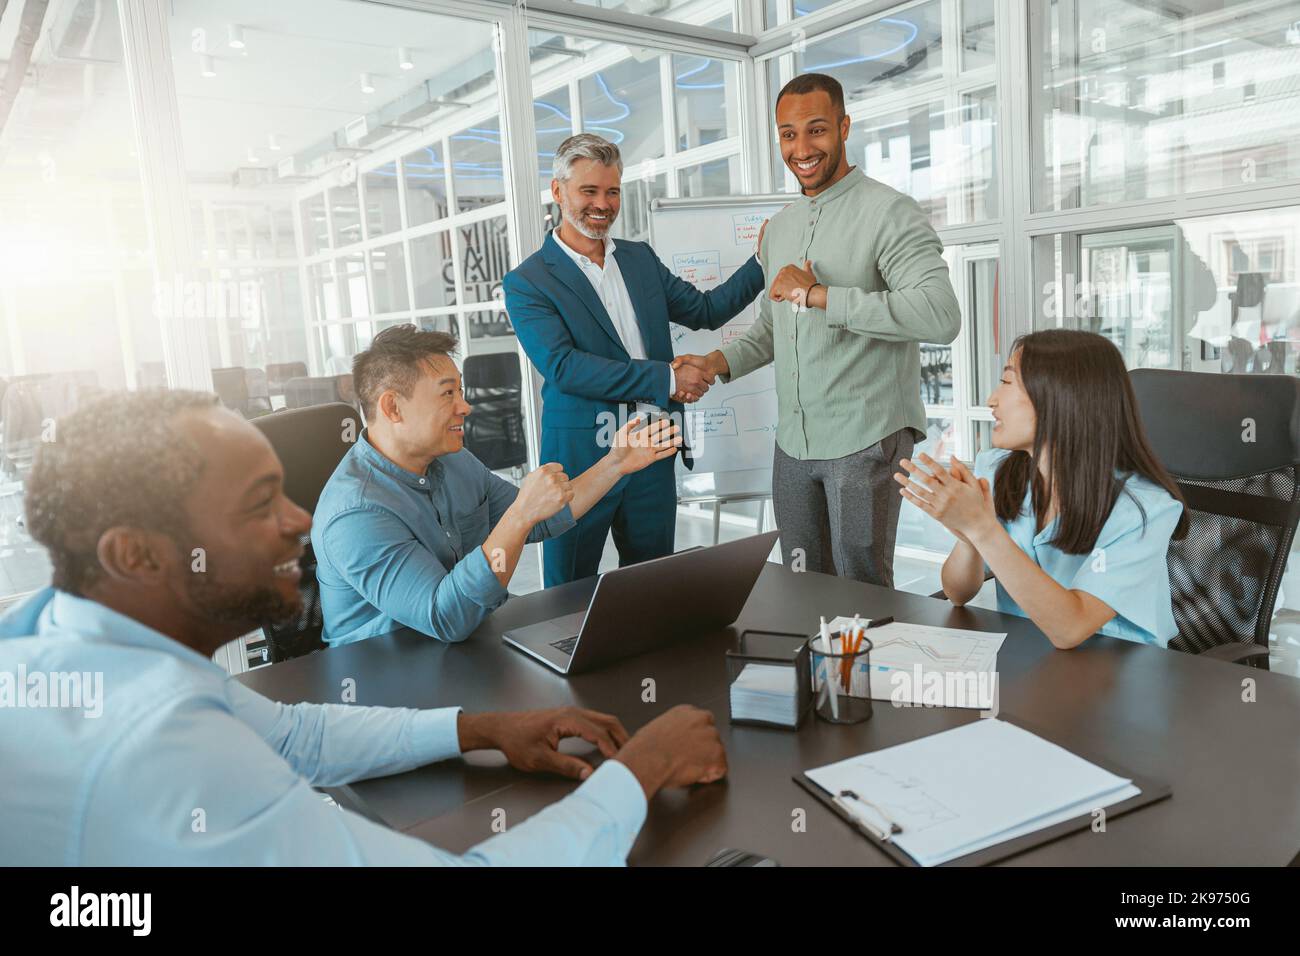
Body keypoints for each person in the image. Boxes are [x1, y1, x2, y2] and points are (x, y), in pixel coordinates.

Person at [0, 389, 726, 865]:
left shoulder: (60, 637)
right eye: (260, 505)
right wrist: (642, 771)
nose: (301, 522)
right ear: (135, 554)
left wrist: (477, 730)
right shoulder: (155, 744)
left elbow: (297, 737)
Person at [674, 73, 960, 588]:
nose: (801, 148)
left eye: (816, 130)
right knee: (802, 585)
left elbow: (940, 315)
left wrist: (820, 295)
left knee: (863, 587)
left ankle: (874, 673)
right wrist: (715, 364)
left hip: (867, 437)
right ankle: (820, 672)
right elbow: (773, 327)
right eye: (788, 134)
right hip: (795, 444)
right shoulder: (780, 228)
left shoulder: (890, 212)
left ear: (845, 127)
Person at [504, 133, 765, 587]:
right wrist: (666, 378)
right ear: (558, 191)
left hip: (652, 453)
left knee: (652, 588)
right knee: (568, 591)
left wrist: (763, 262)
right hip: (580, 462)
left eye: (612, 191)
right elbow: (565, 367)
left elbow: (705, 311)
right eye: (589, 191)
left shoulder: (640, 259)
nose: (602, 204)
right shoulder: (528, 282)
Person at [314, 325, 680, 647]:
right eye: (447, 394)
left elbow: (541, 519)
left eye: (461, 391)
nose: (466, 407)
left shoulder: (454, 461)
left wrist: (616, 463)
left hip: (469, 642)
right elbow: (445, 618)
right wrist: (519, 517)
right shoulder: (356, 512)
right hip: (389, 677)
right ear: (393, 407)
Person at [895, 329, 1189, 649]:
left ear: (1060, 398)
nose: (992, 399)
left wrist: (983, 529)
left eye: (1007, 383)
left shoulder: (1143, 510)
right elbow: (957, 592)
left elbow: (1071, 628)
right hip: (1030, 658)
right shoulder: (998, 470)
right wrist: (967, 535)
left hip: (1122, 672)